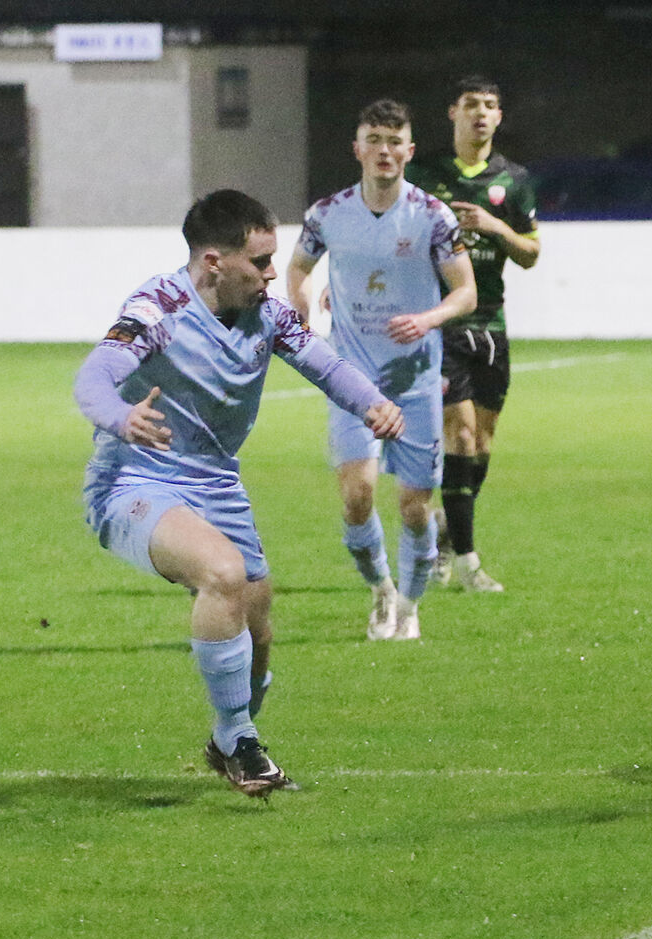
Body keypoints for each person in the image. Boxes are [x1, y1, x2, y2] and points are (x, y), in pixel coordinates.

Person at [75, 189, 404, 798]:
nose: (273, 273)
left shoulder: (268, 315)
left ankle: (230, 737)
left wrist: (374, 404)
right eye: (260, 261)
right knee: (222, 574)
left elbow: (327, 367)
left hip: (216, 480)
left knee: (256, 627)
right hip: (135, 480)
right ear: (213, 262)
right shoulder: (158, 308)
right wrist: (121, 420)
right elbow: (94, 376)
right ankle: (243, 744)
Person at [286, 99, 477, 641]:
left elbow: (466, 291)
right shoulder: (328, 213)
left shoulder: (432, 217)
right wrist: (300, 305)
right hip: (352, 379)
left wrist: (428, 318)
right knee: (357, 495)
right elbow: (297, 267)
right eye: (374, 139)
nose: (385, 151)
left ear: (409, 151)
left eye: (395, 142)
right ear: (358, 149)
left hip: (415, 380)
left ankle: (411, 607)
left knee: (415, 507)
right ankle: (381, 592)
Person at [406, 75, 540, 592]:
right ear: (452, 113)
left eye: (489, 106)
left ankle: (444, 530)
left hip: (492, 324)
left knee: (480, 444)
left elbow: (530, 255)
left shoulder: (515, 180)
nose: (480, 114)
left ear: (499, 117)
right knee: (459, 435)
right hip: (442, 322)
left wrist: (494, 226)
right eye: (470, 105)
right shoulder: (424, 176)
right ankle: (466, 561)